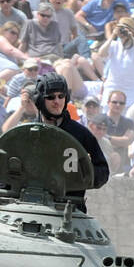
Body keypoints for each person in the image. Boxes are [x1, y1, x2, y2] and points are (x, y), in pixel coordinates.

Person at [30, 71, 108, 205]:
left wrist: (83, 173)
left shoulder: (81, 134)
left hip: (70, 207)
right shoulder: (27, 133)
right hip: (31, 205)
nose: (57, 102)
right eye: (50, 97)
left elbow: (103, 172)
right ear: (40, 100)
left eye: (61, 96)